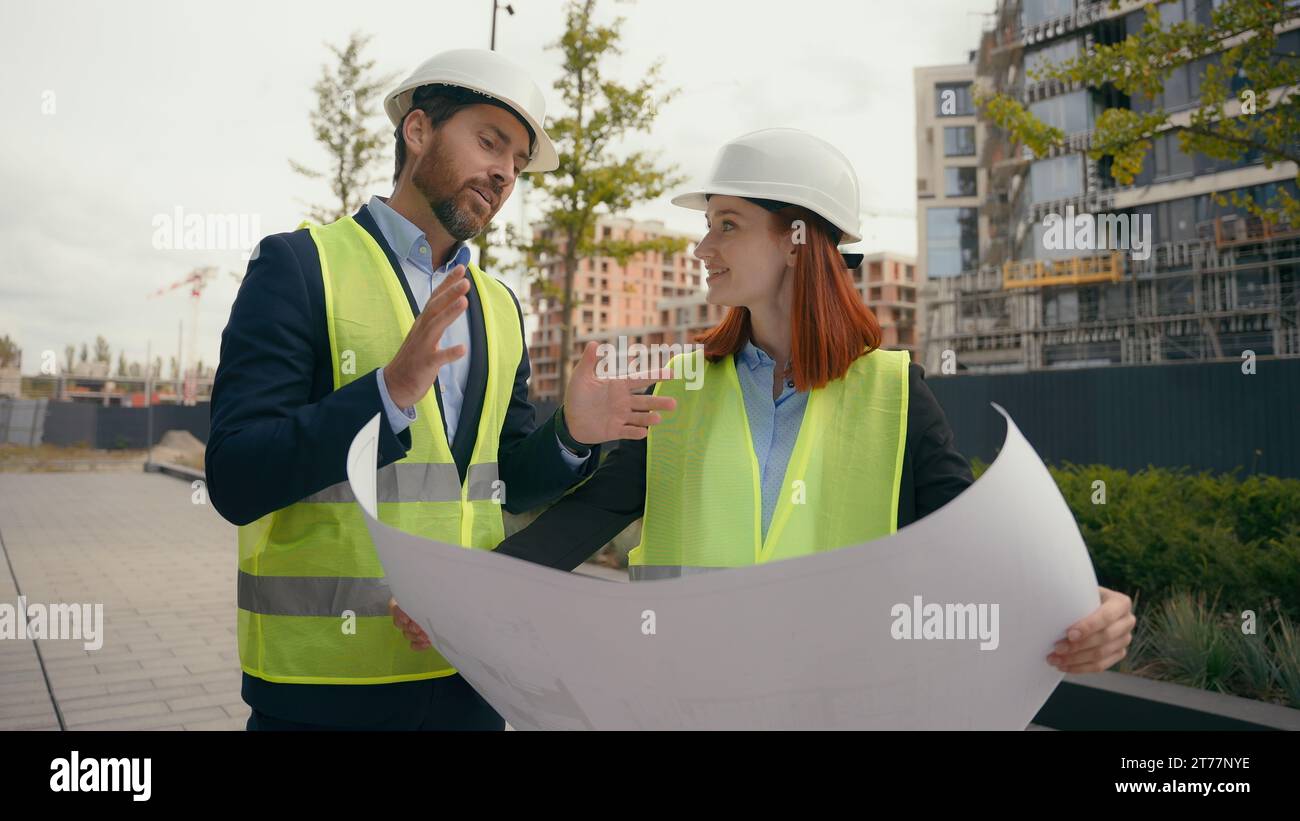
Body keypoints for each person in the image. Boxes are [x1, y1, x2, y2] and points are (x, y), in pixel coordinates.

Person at [394, 127, 1136, 681]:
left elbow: (979, 552)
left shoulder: (893, 392)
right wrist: (465, 597)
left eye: (727, 224)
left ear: (797, 240)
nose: (702, 245)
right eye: (706, 223)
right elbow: (582, 521)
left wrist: (1084, 604)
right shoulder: (680, 387)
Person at [206, 49, 675, 731]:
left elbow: (505, 482)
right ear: (418, 130)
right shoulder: (301, 267)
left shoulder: (500, 307)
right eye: (489, 141)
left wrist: (571, 436)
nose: (505, 173)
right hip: (323, 688)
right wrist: (388, 393)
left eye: (517, 161)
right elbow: (235, 476)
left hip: (470, 677)